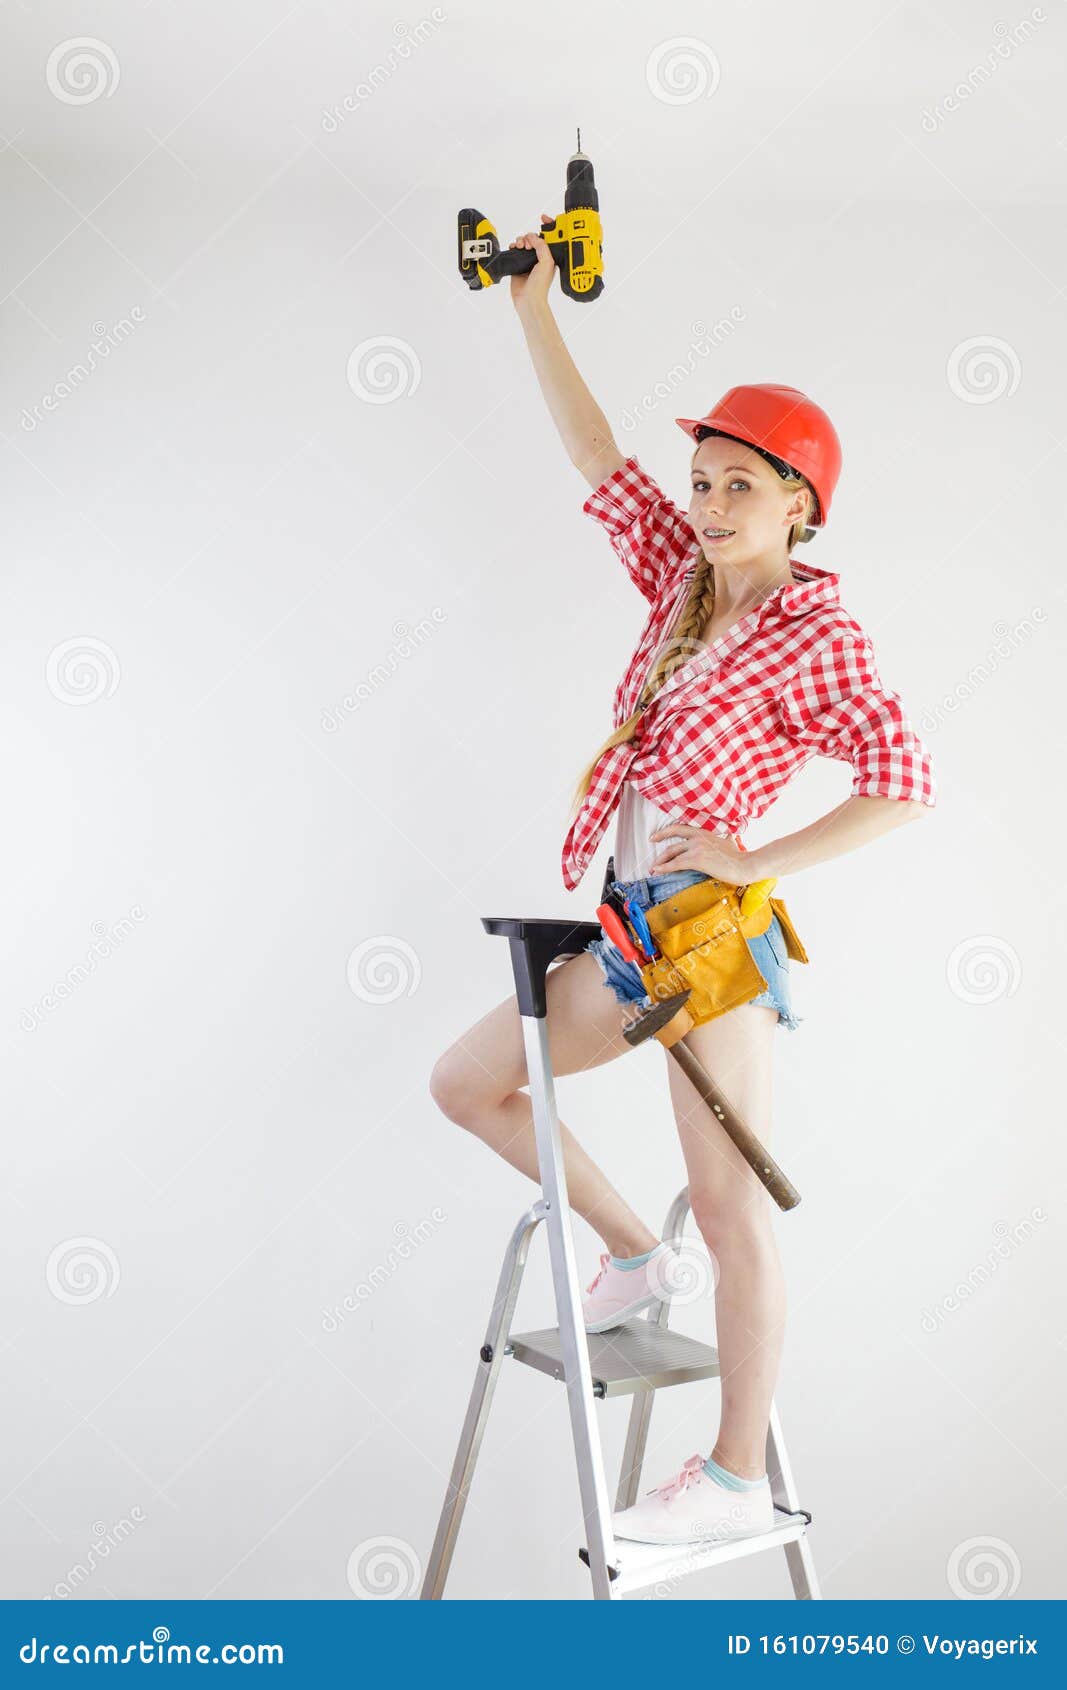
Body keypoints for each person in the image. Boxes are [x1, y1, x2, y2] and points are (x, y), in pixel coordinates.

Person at [430, 218, 936, 1547]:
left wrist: (758, 860)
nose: (709, 504)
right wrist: (532, 306)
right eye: (702, 480)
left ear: (800, 504)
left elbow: (903, 779)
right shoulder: (684, 585)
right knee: (470, 1084)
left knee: (731, 1207)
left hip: (711, 941)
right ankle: (631, 1254)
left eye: (738, 486)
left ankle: (733, 1475)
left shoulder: (816, 630)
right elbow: (598, 456)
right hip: (627, 930)